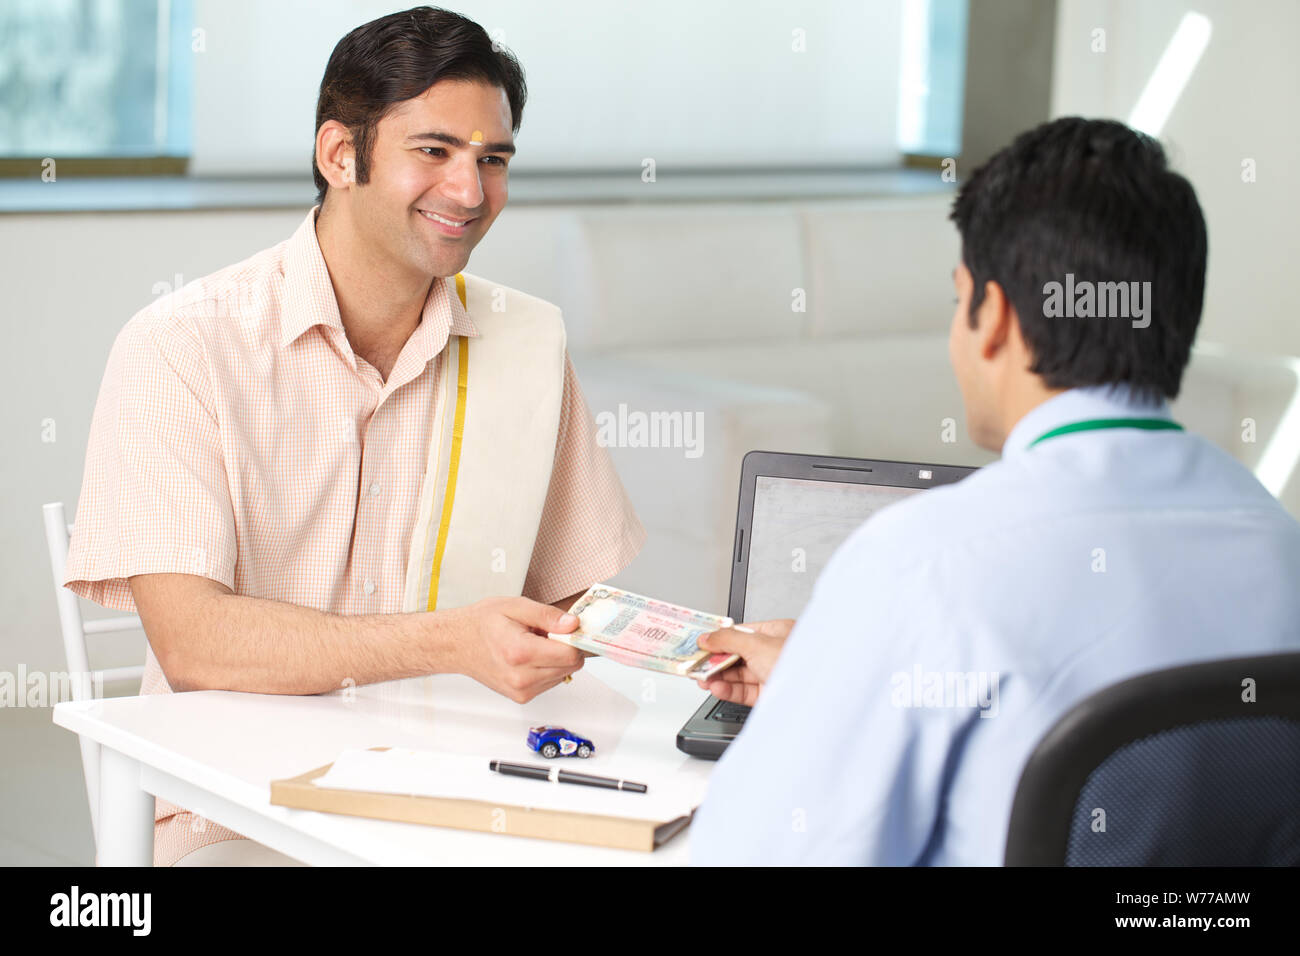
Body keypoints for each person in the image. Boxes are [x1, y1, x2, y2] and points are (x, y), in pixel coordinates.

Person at [63, 7, 644, 866]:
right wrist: (445, 640)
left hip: (467, 797)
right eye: (435, 151)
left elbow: (567, 603)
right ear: (342, 155)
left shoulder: (529, 344)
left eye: (494, 159)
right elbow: (194, 644)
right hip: (236, 814)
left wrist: (698, 653)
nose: (471, 192)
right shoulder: (183, 347)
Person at [689, 117, 1300, 865]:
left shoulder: (923, 567)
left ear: (994, 316)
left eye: (958, 300)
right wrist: (835, 677)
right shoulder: (1280, 543)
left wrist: (820, 698)